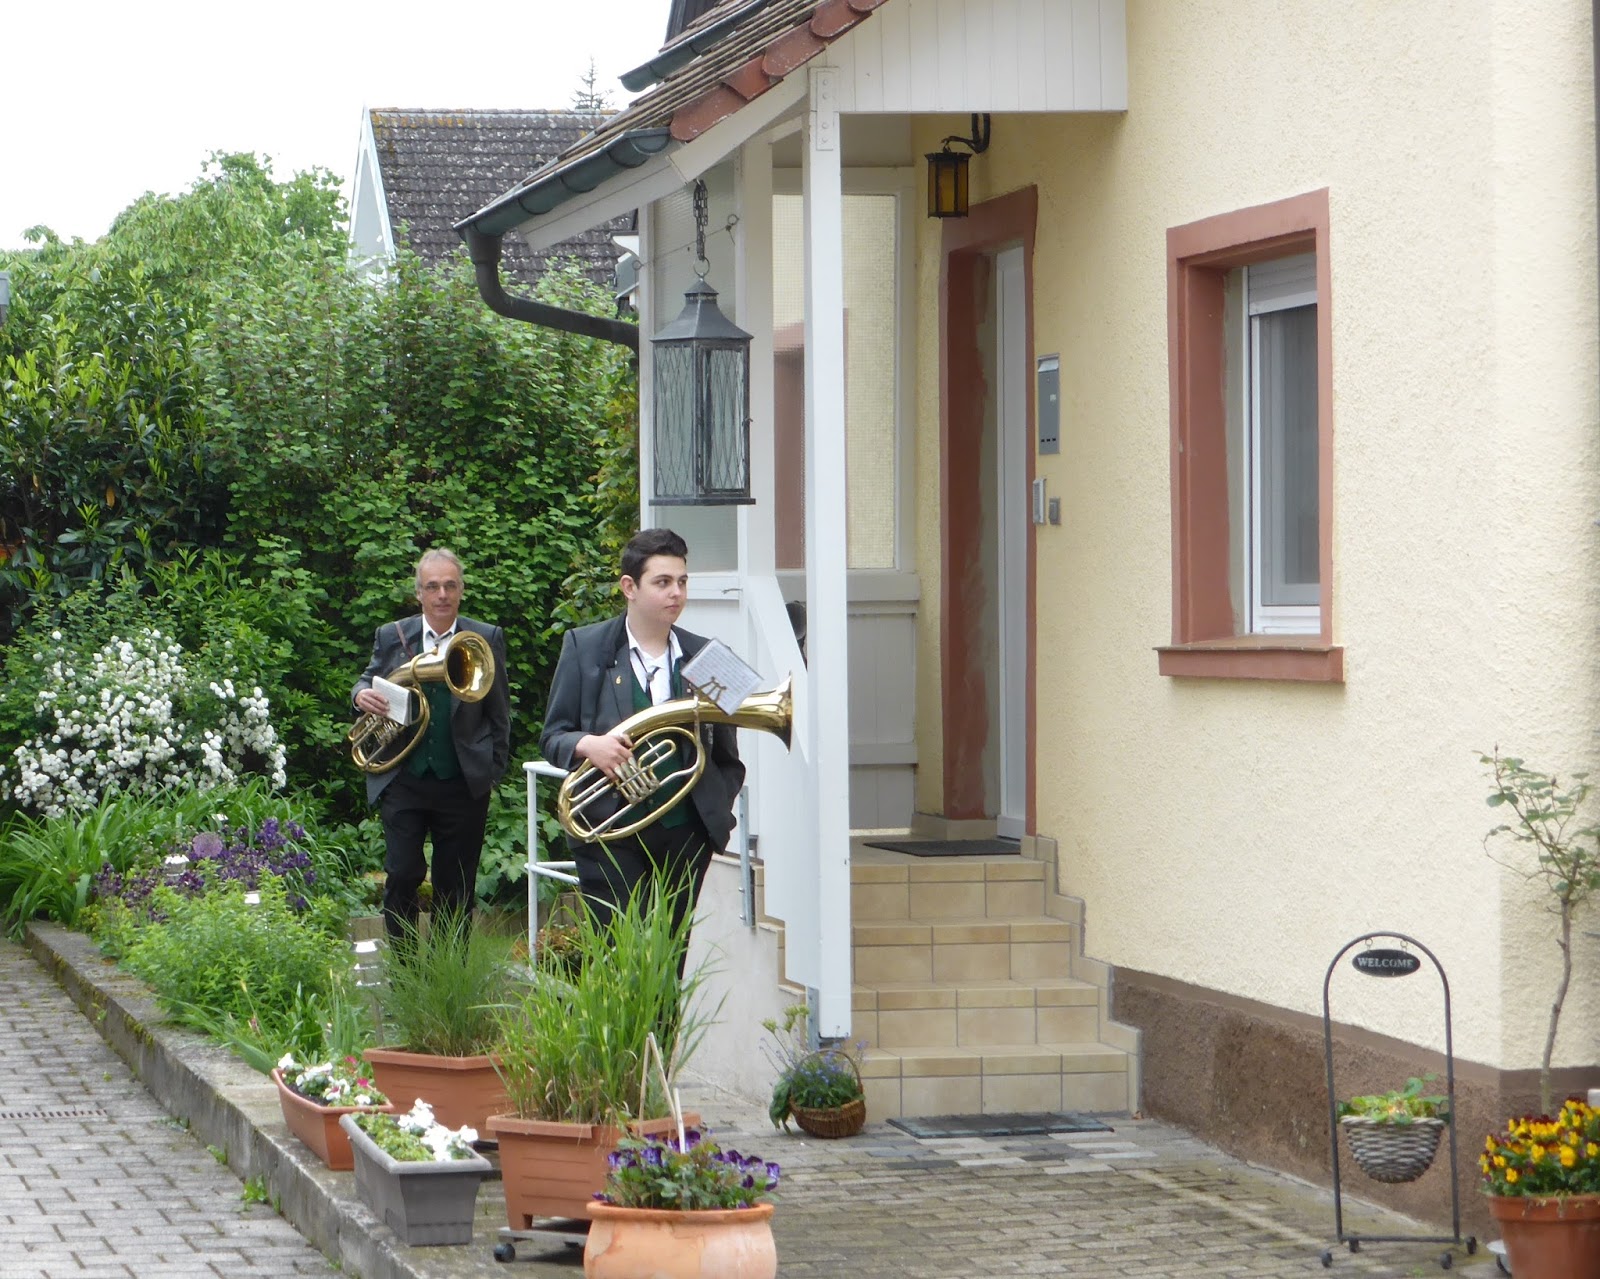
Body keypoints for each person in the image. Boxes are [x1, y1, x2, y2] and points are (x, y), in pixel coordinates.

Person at [539, 528, 745, 943]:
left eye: (682, 582)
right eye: (663, 582)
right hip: (609, 831)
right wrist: (589, 745)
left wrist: (712, 810)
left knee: (673, 953)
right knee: (617, 952)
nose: (677, 593)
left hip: (686, 832)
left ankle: (665, 1015)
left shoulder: (708, 653)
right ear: (629, 587)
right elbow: (552, 736)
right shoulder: (584, 646)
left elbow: (728, 755)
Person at [353, 548, 510, 941]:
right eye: (433, 586)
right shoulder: (393, 635)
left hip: (462, 781)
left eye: (450, 585)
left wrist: (492, 770)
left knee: (455, 885)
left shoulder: (485, 637)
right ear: (419, 593)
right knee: (403, 873)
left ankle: (447, 973)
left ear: (461, 590)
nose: (442, 594)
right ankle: (406, 976)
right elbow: (367, 678)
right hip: (404, 776)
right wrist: (360, 696)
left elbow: (500, 711)